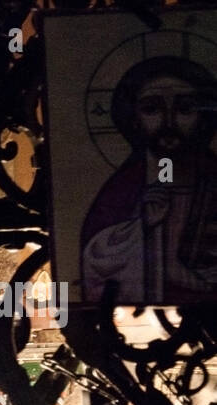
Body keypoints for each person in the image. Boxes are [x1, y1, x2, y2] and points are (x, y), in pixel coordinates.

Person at [81, 56, 217, 304]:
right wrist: (140, 228)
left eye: (185, 109)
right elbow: (94, 264)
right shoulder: (123, 189)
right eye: (152, 109)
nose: (168, 123)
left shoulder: (213, 181)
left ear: (204, 117)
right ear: (133, 118)